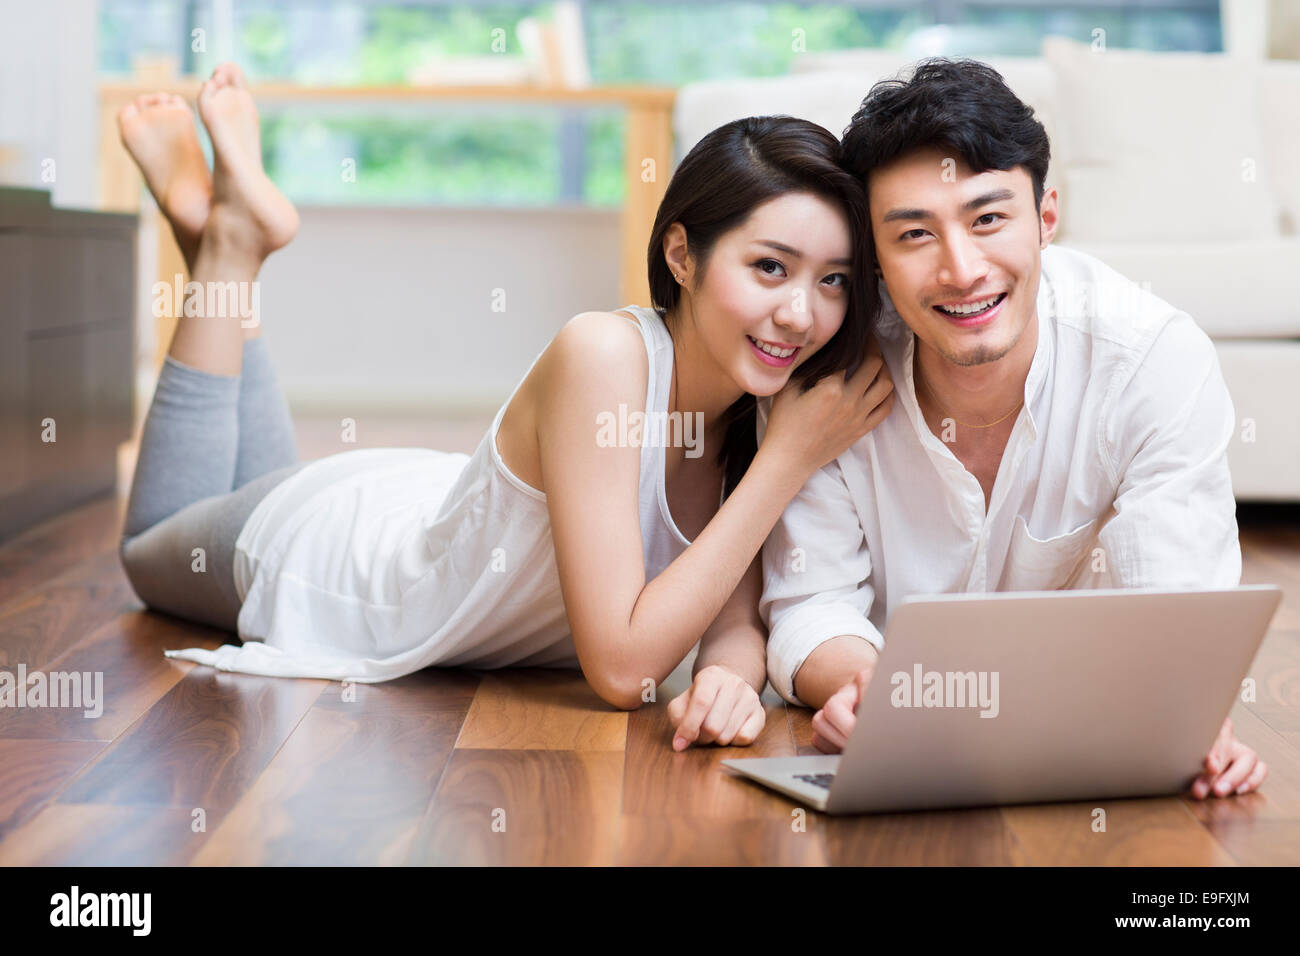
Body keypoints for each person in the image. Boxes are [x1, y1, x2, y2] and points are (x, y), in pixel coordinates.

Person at [116, 64, 897, 751]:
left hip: (419, 504)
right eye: (769, 267)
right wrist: (789, 460)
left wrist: (729, 672)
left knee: (248, 480)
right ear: (681, 254)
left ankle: (226, 247)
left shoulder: (765, 394)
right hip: (337, 563)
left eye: (833, 279)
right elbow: (625, 670)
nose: (802, 313)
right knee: (154, 547)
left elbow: (731, 602)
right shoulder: (605, 354)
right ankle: (223, 243)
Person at [758, 57, 1266, 798]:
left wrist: (1185, 713)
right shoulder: (831, 375)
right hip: (904, 760)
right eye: (914, 235)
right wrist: (879, 695)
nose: (962, 271)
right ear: (874, 258)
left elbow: (1174, 604)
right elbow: (811, 602)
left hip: (1090, 745)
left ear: (1046, 218)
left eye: (989, 219)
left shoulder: (1150, 358)